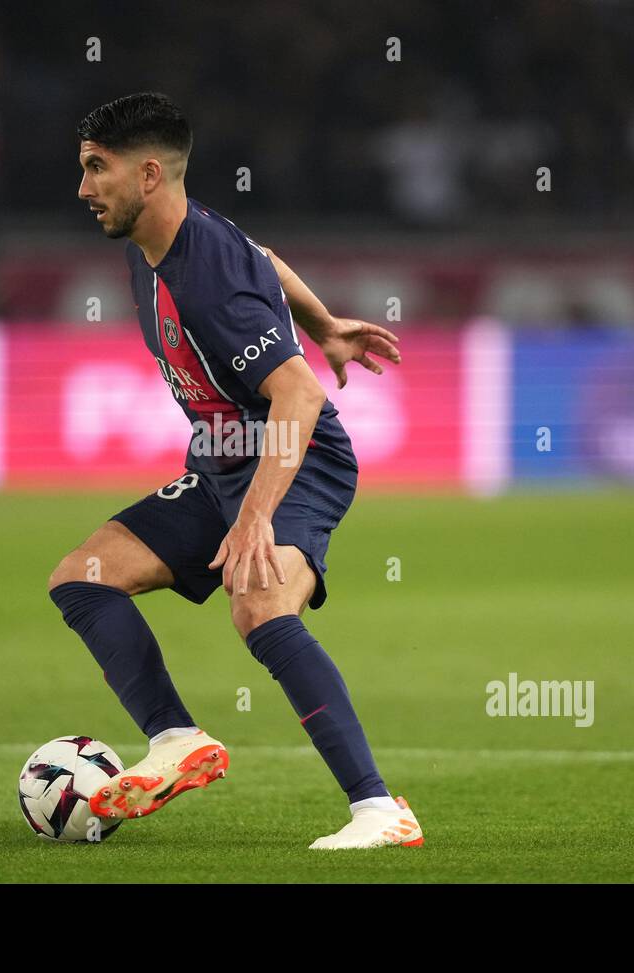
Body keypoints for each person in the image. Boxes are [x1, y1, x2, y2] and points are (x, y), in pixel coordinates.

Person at [48, 92, 420, 849]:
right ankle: (177, 739)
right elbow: (266, 257)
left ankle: (380, 811)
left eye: (97, 169)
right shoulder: (169, 241)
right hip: (221, 463)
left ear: (148, 174)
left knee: (256, 603)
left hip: (298, 459)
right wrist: (325, 323)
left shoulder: (206, 274)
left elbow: (300, 392)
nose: (84, 188)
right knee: (82, 576)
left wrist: (254, 516)